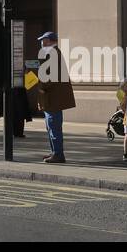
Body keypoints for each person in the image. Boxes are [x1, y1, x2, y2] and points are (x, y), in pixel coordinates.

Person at [36, 31, 75, 162]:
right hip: (51, 98)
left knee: (54, 126)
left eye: (43, 40)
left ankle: (58, 154)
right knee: (51, 126)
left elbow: (51, 77)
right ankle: (55, 152)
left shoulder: (53, 54)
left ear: (49, 41)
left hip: (53, 98)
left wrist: (41, 87)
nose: (41, 43)